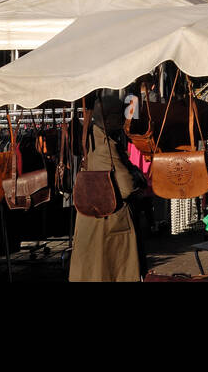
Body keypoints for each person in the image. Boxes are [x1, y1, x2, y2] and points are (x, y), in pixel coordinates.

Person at [70, 93, 148, 282]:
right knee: (109, 271)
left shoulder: (90, 138)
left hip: (92, 221)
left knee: (95, 272)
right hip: (108, 223)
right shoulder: (106, 145)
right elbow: (126, 187)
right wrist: (137, 179)